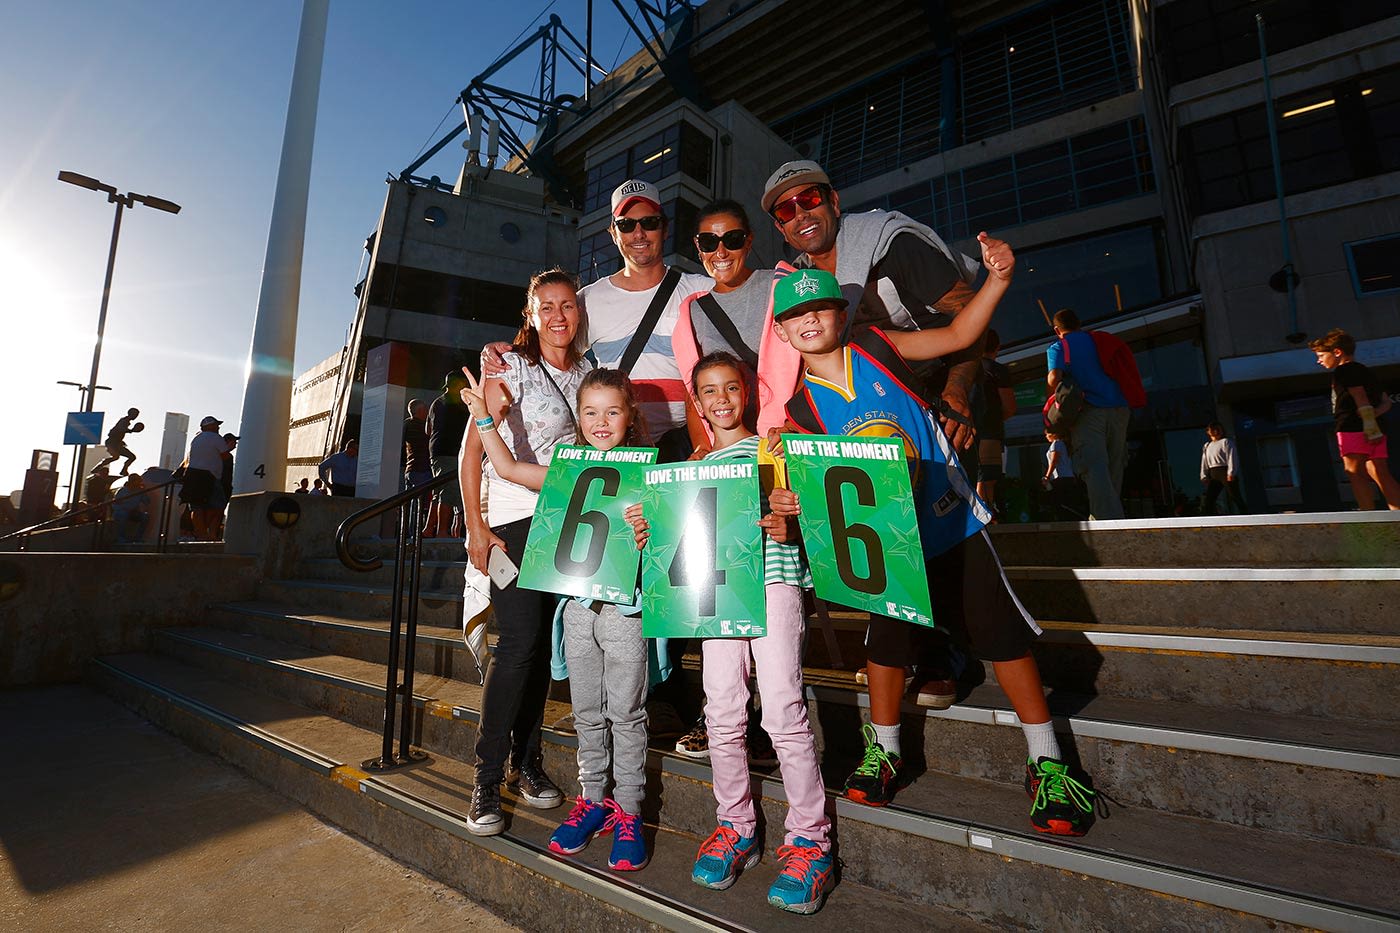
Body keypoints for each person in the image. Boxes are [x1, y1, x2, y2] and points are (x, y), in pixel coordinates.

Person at [768, 258, 1098, 836]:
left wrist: (996, 280)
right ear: (781, 331)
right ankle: (887, 749)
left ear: (840, 314)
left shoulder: (875, 347)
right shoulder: (799, 414)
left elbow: (959, 336)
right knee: (887, 642)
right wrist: (786, 507)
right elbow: (806, 499)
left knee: (1000, 634)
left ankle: (1047, 758)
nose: (809, 319)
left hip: (947, 517)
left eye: (819, 306)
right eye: (795, 314)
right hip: (888, 542)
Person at [761, 159, 990, 709]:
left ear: (833, 200)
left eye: (809, 198)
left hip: (938, 389)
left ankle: (946, 658)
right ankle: (899, 650)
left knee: (942, 542)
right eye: (786, 209)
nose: (801, 213)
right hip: (870, 412)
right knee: (885, 535)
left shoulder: (892, 244)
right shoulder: (796, 279)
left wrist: (957, 393)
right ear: (780, 225)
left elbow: (969, 324)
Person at [634, 352, 835, 914]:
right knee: (721, 713)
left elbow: (809, 519)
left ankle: (810, 842)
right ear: (696, 402)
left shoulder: (776, 448)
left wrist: (789, 515)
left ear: (746, 392)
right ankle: (735, 826)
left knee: (783, 711)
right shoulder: (690, 465)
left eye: (731, 389)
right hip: (716, 596)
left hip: (773, 582)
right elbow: (673, 549)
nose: (721, 400)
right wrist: (649, 529)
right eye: (709, 392)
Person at [462, 365, 651, 871]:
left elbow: (669, 535)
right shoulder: (569, 467)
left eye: (613, 411)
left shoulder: (647, 471)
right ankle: (593, 801)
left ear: (630, 416)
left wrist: (646, 529)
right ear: (578, 418)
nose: (601, 421)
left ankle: (628, 810)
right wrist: (484, 420)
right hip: (577, 615)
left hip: (625, 613)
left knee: (627, 714)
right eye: (590, 412)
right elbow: (507, 469)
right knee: (587, 711)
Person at [459, 267, 591, 837]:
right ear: (530, 315)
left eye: (567, 305)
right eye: (547, 307)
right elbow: (472, 455)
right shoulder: (506, 366)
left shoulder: (588, 372)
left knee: (539, 650)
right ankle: (484, 781)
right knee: (517, 645)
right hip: (513, 520)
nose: (558, 316)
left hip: (566, 520)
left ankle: (527, 764)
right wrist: (476, 527)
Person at [667, 199, 783, 761]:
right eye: (709, 243)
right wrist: (702, 450)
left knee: (779, 582)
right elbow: (697, 393)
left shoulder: (782, 285)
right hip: (726, 457)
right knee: (729, 580)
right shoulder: (690, 310)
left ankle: (771, 707)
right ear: (697, 249)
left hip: (780, 448)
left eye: (731, 240)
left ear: (750, 240)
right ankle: (733, 715)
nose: (721, 252)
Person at [1046, 309, 1133, 520]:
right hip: (1120, 407)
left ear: (1057, 330)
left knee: (1094, 466)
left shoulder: (1059, 346)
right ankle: (1109, 518)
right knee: (1114, 466)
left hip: (1089, 410)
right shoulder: (1099, 340)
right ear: (1079, 323)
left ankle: (1108, 523)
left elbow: (1054, 377)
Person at [1310, 328, 1400, 510]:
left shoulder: (1344, 371)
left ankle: (1368, 517)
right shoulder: (1366, 371)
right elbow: (1386, 402)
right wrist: (1374, 419)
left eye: (1321, 355)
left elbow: (1359, 396)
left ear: (1337, 352)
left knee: (1354, 472)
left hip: (1352, 428)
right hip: (1375, 427)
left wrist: (1369, 426)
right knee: (1379, 471)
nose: (1318, 360)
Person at [975, 329, 1016, 515]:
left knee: (972, 476)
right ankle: (987, 518)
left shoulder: (965, 369)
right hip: (989, 430)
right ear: (997, 348)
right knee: (987, 480)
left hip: (965, 430)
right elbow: (1009, 407)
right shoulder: (997, 370)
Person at [427, 373, 471, 537]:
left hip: (437, 451)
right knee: (449, 491)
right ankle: (442, 532)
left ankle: (433, 529)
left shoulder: (436, 402)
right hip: (449, 451)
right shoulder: (457, 403)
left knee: (442, 491)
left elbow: (428, 429)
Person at [180, 416, 231, 541]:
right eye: (216, 425)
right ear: (210, 426)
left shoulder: (196, 439)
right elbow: (225, 456)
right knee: (219, 506)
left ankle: (201, 534)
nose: (218, 427)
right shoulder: (216, 438)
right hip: (209, 476)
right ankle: (211, 534)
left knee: (197, 508)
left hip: (192, 476)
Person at [1200, 422, 1247, 515]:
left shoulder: (1226, 441)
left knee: (1234, 495)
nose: (1217, 431)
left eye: (1218, 429)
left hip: (1224, 471)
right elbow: (1204, 461)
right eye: (1213, 429)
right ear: (1208, 432)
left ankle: (1245, 514)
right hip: (1213, 472)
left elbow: (1232, 457)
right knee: (1210, 497)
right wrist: (1203, 475)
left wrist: (1231, 473)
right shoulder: (1207, 445)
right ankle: (1207, 517)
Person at [91, 407, 144, 476]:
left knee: (120, 457)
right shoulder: (124, 421)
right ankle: (123, 470)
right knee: (121, 456)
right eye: (135, 415)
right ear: (131, 414)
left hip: (115, 443)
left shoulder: (126, 422)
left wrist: (122, 440)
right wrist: (131, 430)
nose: (136, 416)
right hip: (112, 443)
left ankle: (122, 470)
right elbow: (121, 429)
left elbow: (119, 432)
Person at [1042, 429, 1082, 520]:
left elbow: (1054, 461)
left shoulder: (1056, 444)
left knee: (1058, 503)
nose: (1046, 437)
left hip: (1060, 478)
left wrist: (1047, 477)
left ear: (1053, 434)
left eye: (1047, 434)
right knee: (1067, 502)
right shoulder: (1064, 444)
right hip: (1068, 477)